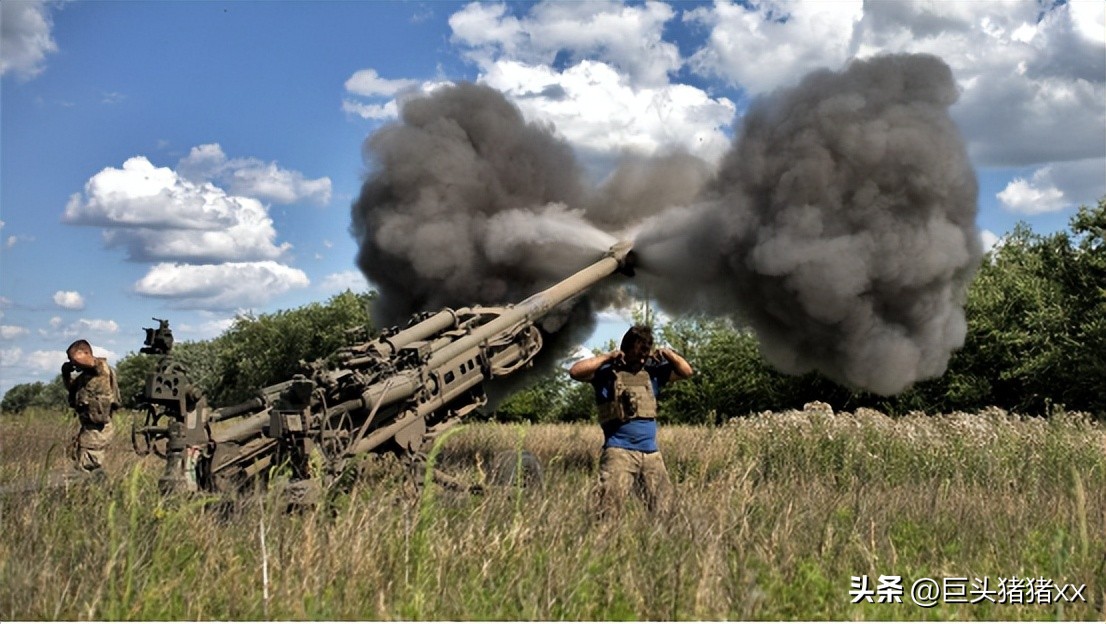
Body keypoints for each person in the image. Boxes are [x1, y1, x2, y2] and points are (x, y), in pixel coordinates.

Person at [568, 325, 693, 516]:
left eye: (645, 355)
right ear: (625, 351)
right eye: (637, 354)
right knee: (607, 512)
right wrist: (607, 357)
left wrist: (667, 353)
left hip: (651, 455)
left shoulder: (653, 373)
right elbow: (575, 372)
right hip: (619, 453)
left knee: (666, 512)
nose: (642, 360)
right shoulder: (607, 372)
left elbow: (686, 371)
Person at [61, 339, 120, 474]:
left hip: (99, 429)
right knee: (78, 457)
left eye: (73, 359)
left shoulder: (100, 368)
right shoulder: (84, 377)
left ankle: (97, 488)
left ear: (87, 353)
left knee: (89, 463)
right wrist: (66, 373)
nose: (73, 363)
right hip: (87, 427)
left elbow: (82, 358)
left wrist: (74, 359)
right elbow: (72, 389)